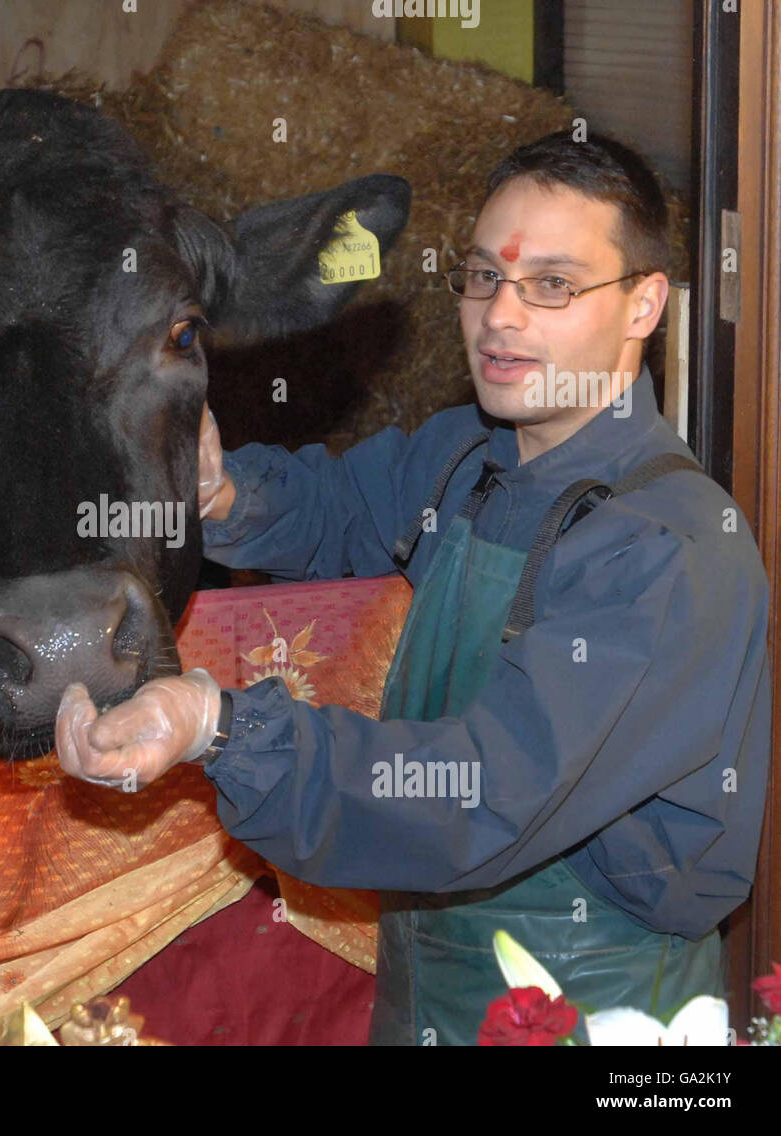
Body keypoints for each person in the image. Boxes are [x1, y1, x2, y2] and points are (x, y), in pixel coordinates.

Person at [54, 131, 772, 1046]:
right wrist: (222, 491)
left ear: (644, 305)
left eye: (552, 285)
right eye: (483, 278)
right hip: (427, 985)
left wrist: (225, 731)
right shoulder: (467, 454)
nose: (500, 318)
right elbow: (341, 509)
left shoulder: (662, 551)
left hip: (601, 1008)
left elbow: (478, 795)